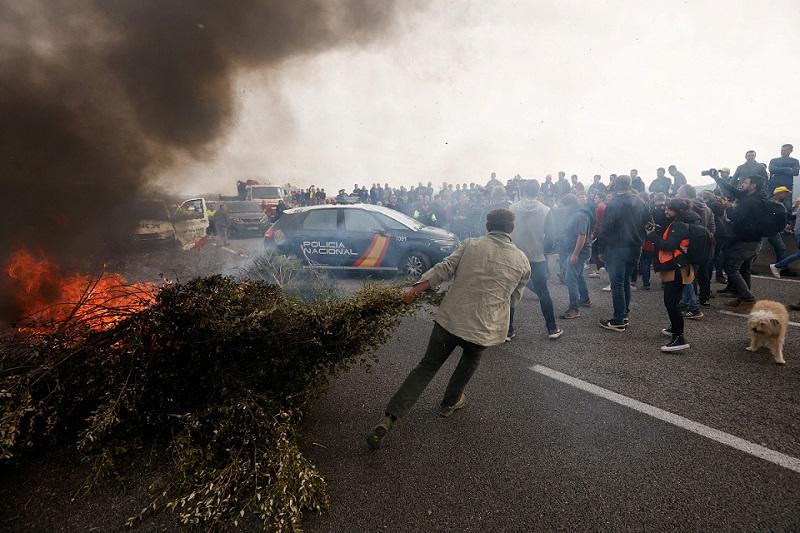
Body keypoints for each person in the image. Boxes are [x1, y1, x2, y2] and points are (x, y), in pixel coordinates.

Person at [366, 209, 531, 450]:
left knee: (426, 367)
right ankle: (450, 402)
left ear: (487, 225)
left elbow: (442, 270)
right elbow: (513, 300)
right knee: (470, 359)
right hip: (481, 330)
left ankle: (388, 419)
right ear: (512, 229)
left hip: (449, 321)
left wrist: (412, 292)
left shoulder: (471, 245)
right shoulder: (522, 261)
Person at [507, 180, 563, 340]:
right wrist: (544, 251)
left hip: (516, 256)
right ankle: (552, 328)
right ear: (538, 191)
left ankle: (508, 330)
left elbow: (507, 232)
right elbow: (551, 237)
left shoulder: (512, 208)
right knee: (543, 293)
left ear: (523, 190)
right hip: (537, 258)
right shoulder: (546, 210)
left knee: (511, 293)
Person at [596, 175, 652, 331]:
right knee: (626, 280)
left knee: (617, 283)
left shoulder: (613, 204)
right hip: (635, 247)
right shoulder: (641, 201)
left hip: (617, 248)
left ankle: (618, 319)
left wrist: (601, 250)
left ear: (616, 186)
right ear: (630, 184)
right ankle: (624, 314)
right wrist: (640, 237)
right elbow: (650, 224)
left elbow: (605, 229)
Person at [648, 199, 697, 352]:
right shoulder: (687, 221)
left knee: (671, 302)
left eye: (668, 209)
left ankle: (679, 337)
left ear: (675, 210)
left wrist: (652, 236)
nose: (665, 211)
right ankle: (674, 329)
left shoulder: (678, 225)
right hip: (682, 266)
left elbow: (669, 245)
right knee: (674, 300)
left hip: (677, 268)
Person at [713, 173, 766, 311]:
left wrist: (728, 207)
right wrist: (717, 178)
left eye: (746, 182)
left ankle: (748, 298)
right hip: (754, 241)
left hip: (746, 241)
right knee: (744, 269)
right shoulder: (753, 197)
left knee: (730, 267)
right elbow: (733, 190)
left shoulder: (751, 201)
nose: (742, 184)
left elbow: (736, 218)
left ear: (753, 185)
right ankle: (743, 296)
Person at [676, 184, 715, 314]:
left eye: (679, 191)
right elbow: (712, 227)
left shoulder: (688, 207)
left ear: (684, 193)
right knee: (701, 273)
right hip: (704, 244)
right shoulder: (707, 208)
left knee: (688, 274)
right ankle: (703, 298)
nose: (677, 193)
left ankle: (690, 304)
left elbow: (686, 227)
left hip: (690, 245)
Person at [558, 194, 593, 319]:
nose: (561, 209)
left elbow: (582, 235)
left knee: (570, 278)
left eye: (563, 206)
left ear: (569, 205)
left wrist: (575, 254)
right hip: (574, 250)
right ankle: (585, 299)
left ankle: (574, 309)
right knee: (578, 276)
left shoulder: (579, 215)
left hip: (579, 251)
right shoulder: (575, 214)